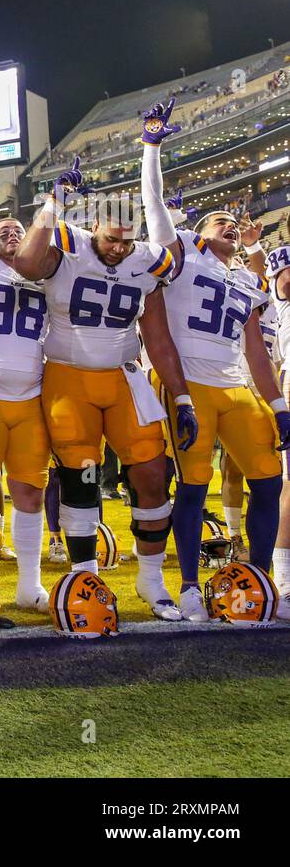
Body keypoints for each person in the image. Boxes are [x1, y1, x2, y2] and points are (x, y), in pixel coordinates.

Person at [13, 154, 198, 620]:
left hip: (123, 377)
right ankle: (86, 577)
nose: (118, 248)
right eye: (112, 239)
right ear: (94, 226)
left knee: (153, 474)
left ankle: (151, 579)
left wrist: (182, 396)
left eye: (126, 241)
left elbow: (158, 338)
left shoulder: (147, 261)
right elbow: (27, 263)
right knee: (82, 478)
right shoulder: (66, 244)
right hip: (67, 377)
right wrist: (52, 202)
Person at [139, 100, 290, 619]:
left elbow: (256, 347)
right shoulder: (180, 251)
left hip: (235, 386)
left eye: (232, 222)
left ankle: (260, 578)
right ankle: (185, 584)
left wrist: (279, 403)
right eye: (218, 220)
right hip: (190, 385)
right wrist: (152, 147)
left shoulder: (247, 279)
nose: (229, 225)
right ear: (198, 231)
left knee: (269, 478)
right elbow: (153, 202)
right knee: (195, 484)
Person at [0, 217, 51, 609]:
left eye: (20, 230)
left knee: (30, 490)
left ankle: (28, 585)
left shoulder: (45, 275)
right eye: (3, 229)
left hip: (31, 396)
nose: (12, 233)